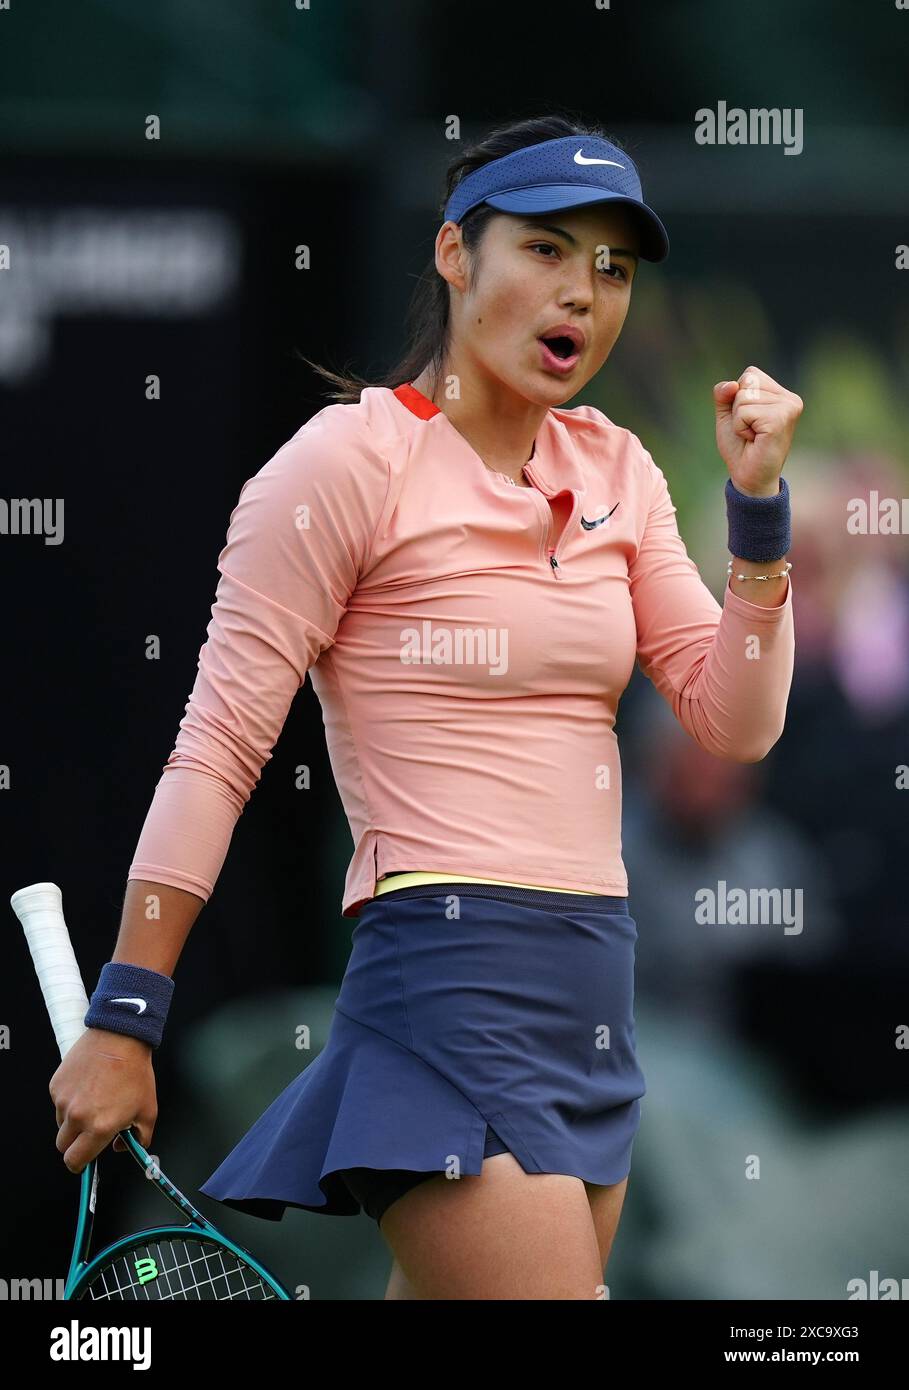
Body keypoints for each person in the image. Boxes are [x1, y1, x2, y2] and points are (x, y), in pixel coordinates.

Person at [48, 112, 800, 1300]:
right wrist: (128, 1011)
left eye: (610, 268)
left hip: (596, 1002)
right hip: (445, 994)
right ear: (456, 254)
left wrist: (757, 516)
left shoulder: (623, 469)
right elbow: (218, 747)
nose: (582, 296)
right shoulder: (344, 465)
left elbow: (733, 719)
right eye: (545, 250)